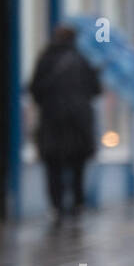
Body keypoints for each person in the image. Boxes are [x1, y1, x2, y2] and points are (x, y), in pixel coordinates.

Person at [29, 25, 101, 223]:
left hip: (52, 123)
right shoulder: (83, 60)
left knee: (53, 167)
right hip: (78, 124)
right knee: (77, 167)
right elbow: (96, 91)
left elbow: (34, 90)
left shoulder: (45, 60)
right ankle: (77, 205)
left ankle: (56, 207)